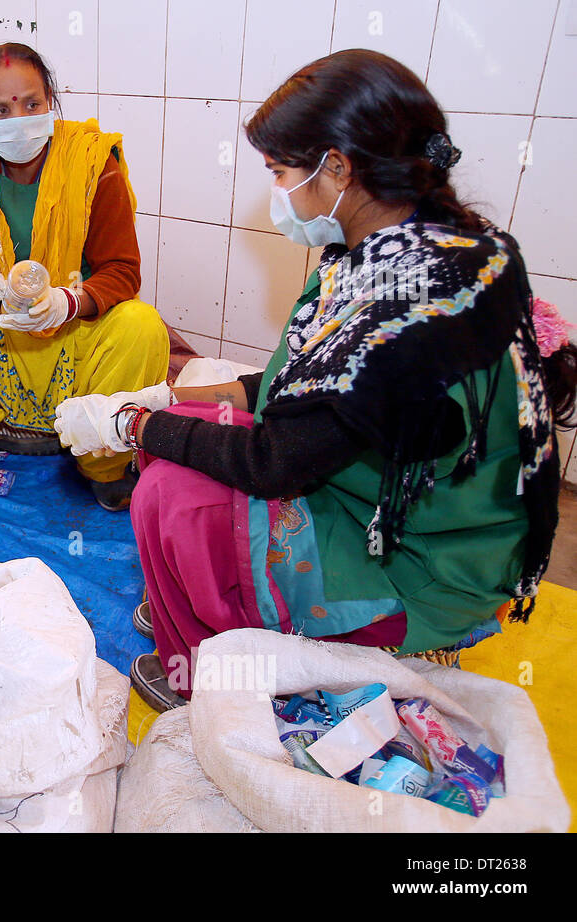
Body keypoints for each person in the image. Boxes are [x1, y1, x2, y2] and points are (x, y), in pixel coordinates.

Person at [54, 49, 574, 710]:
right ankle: (194, 598)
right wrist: (162, 399)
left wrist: (129, 423)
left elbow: (274, 463)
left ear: (336, 167)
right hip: (368, 491)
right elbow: (283, 391)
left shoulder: (404, 316)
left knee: (168, 495)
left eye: (278, 171)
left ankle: (204, 678)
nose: (274, 191)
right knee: (173, 439)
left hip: (424, 569)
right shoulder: (383, 255)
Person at [0, 43, 169, 510]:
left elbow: (122, 272)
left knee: (142, 326)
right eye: (0, 109)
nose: (19, 118)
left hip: (74, 331)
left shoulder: (91, 164)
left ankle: (103, 465)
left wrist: (69, 301)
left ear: (51, 101)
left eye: (32, 104)